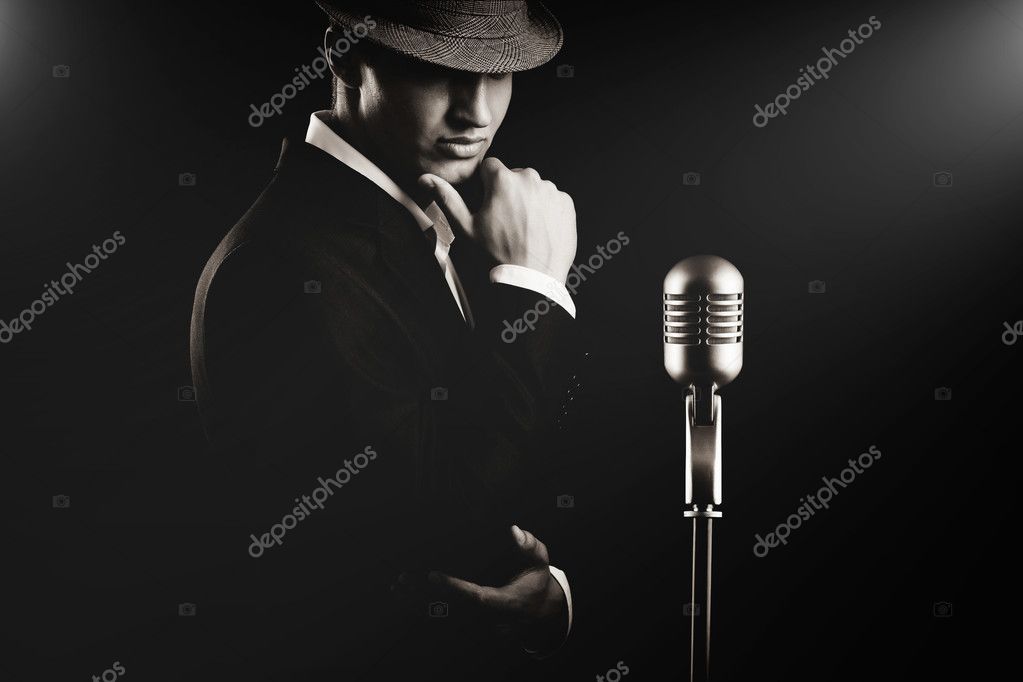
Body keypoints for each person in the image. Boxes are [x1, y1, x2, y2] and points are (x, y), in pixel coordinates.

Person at [188, 2, 585, 679]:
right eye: (438, 69)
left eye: (499, 73)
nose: (476, 112)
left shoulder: (440, 218)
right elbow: (432, 523)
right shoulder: (283, 263)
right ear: (343, 54)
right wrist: (533, 292)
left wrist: (554, 599)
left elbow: (503, 465)